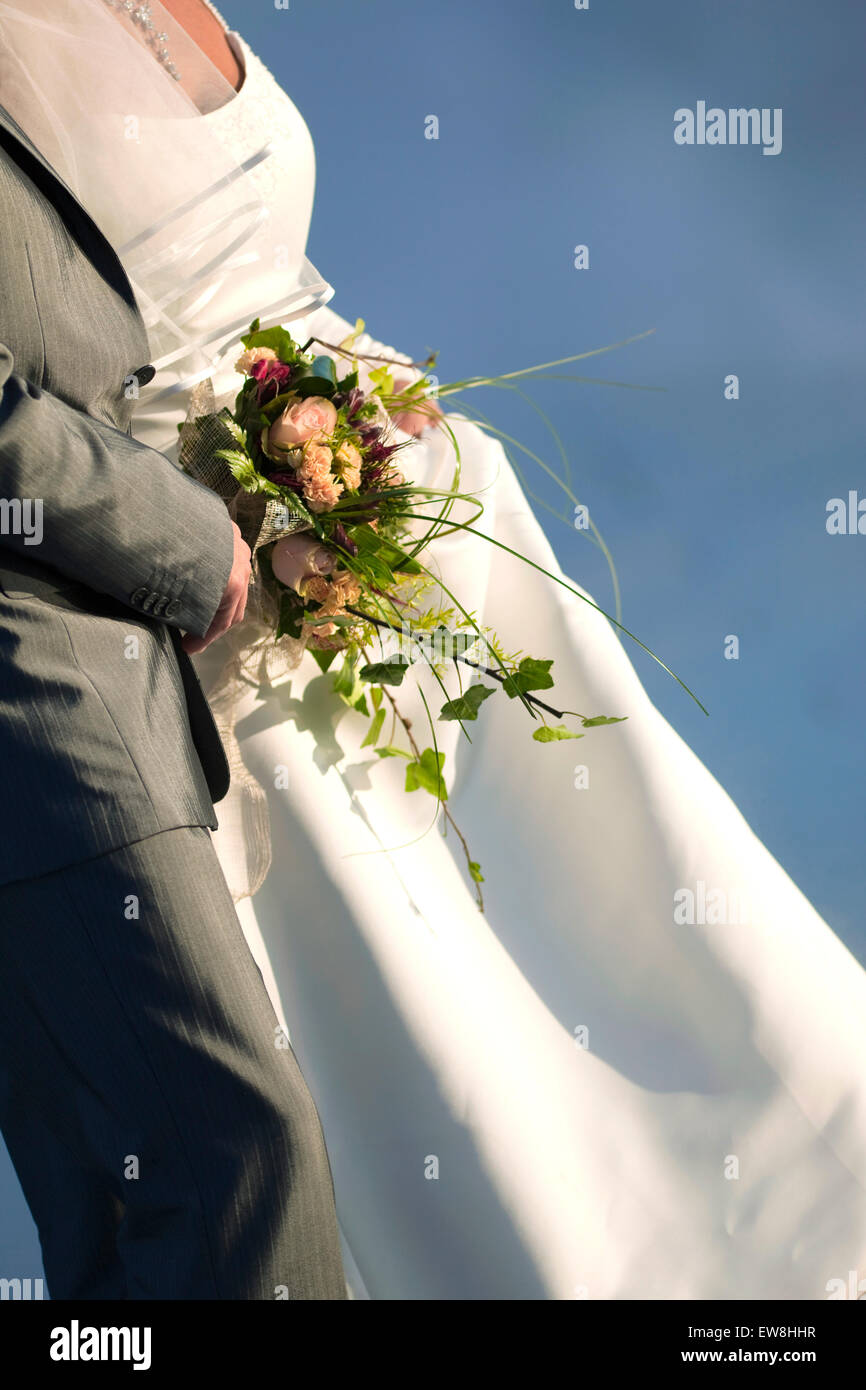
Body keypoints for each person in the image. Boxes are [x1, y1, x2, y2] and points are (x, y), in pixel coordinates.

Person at [2, 0, 865, 1301]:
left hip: (430, 564)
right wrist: (217, 523)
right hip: (233, 603)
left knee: (640, 945)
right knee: (404, 1081)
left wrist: (367, 420)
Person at [0, 29, 348, 1299]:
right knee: (234, 1156)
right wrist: (186, 532)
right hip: (34, 685)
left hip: (90, 679)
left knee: (134, 1209)